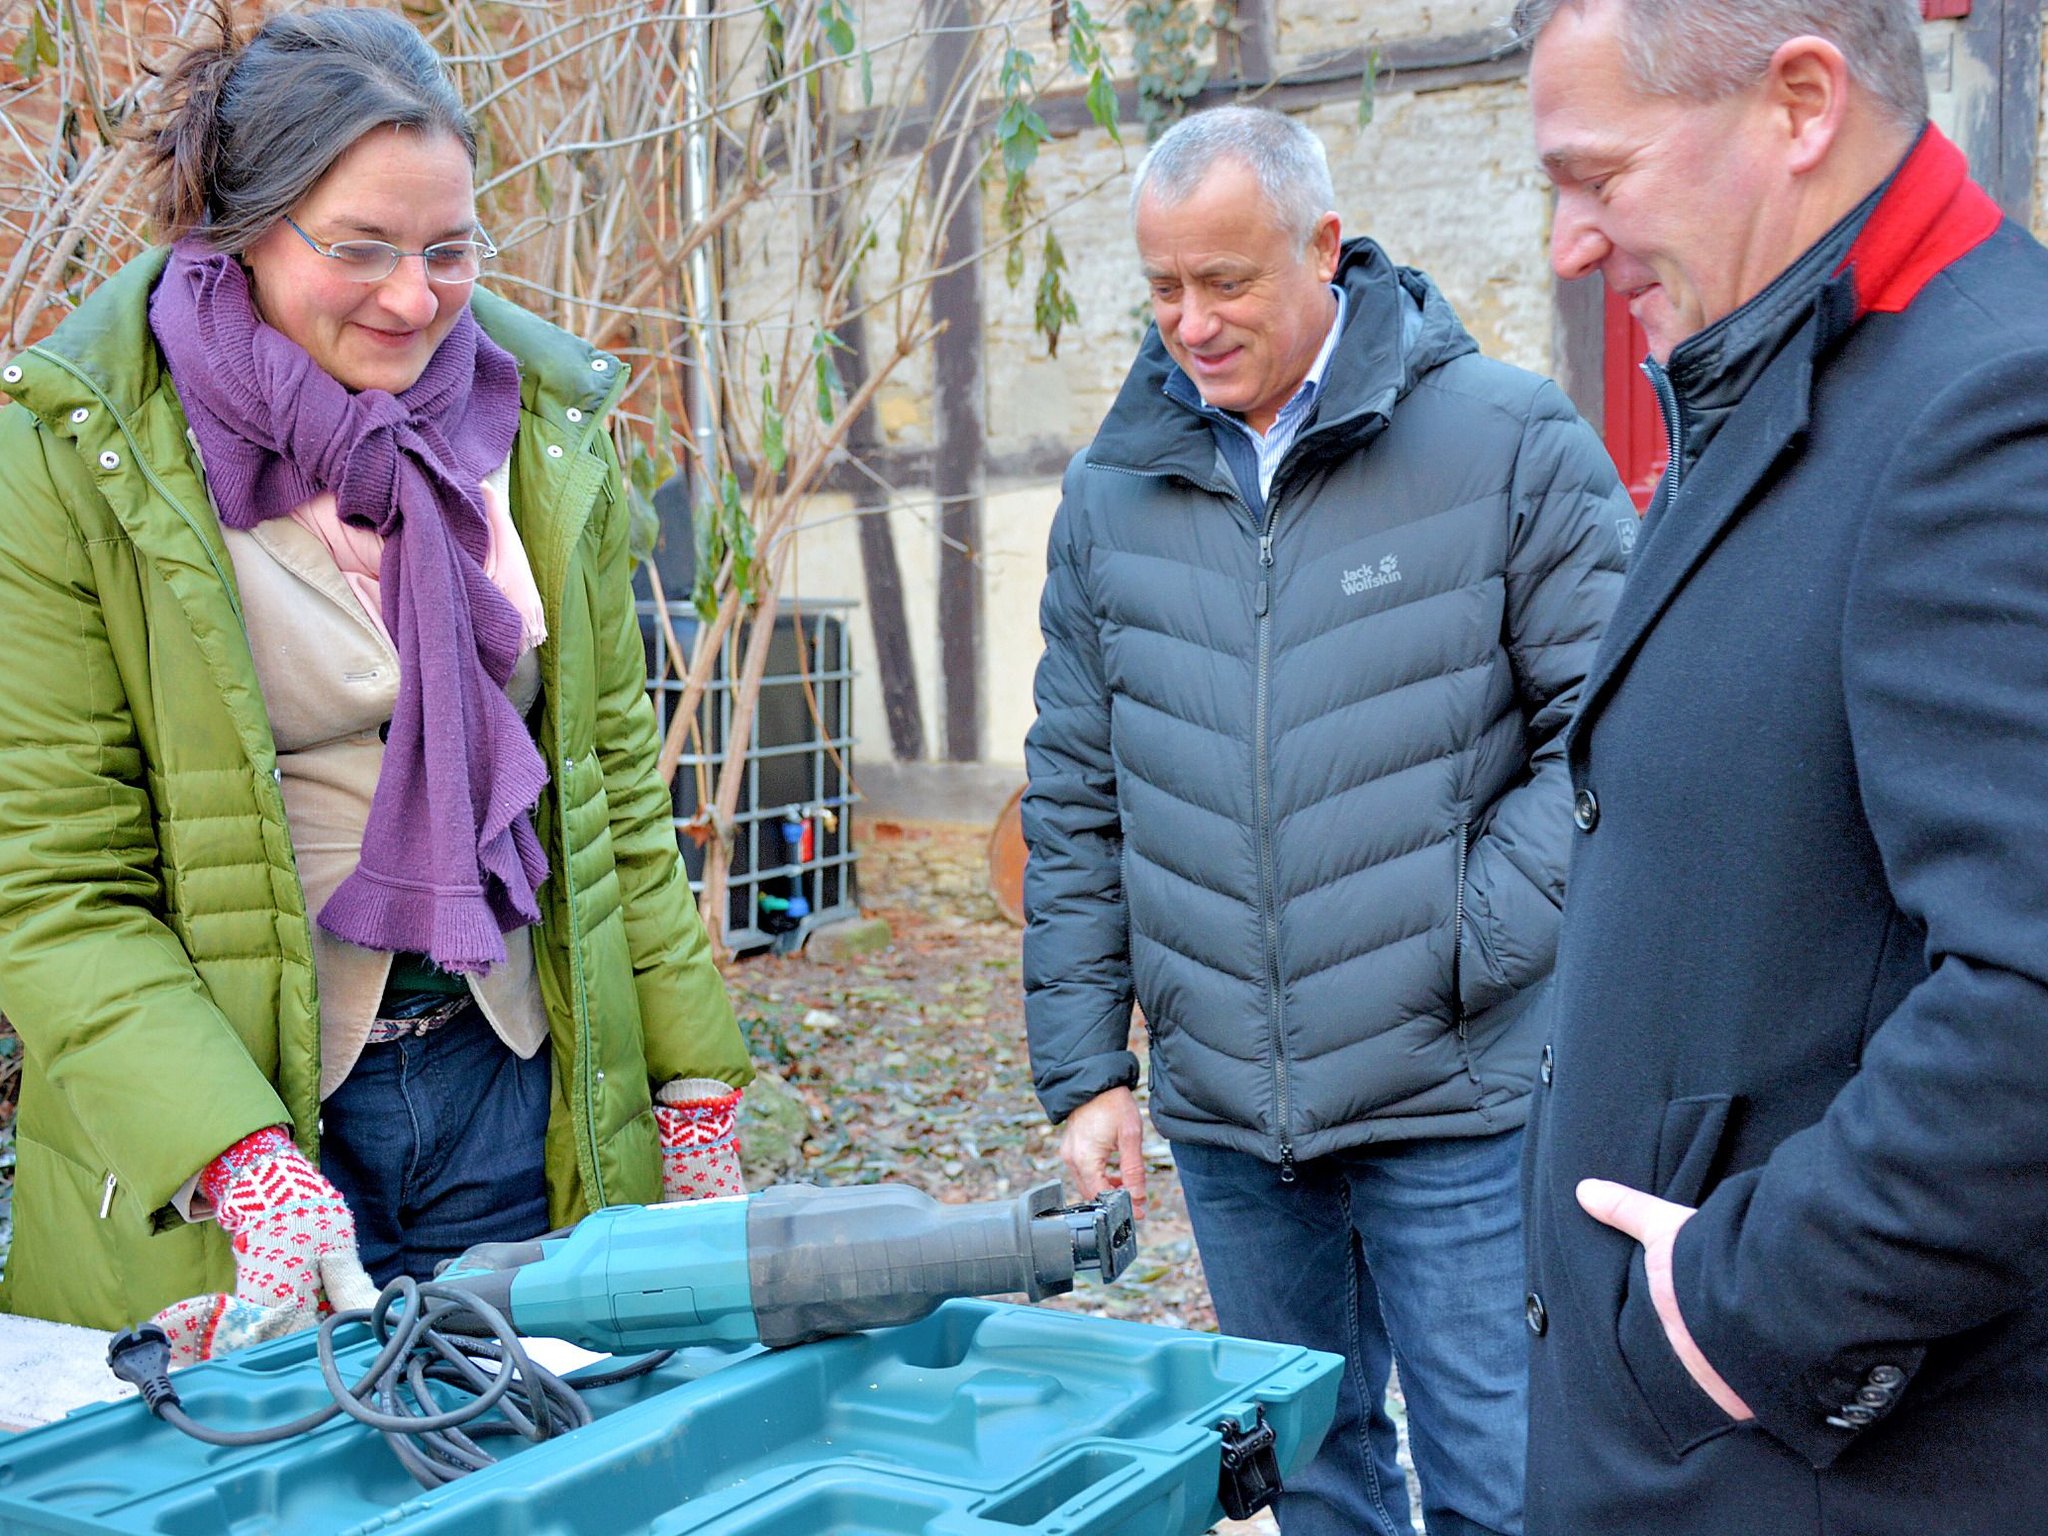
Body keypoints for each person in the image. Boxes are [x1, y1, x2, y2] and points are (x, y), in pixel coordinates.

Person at [0, 7, 751, 1358]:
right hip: (247, 1126)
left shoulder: (533, 432)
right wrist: (240, 1160)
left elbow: (611, 800)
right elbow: (55, 885)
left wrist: (695, 1086)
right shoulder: (74, 463)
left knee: (525, 1447)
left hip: (511, 1091)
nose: (413, 299)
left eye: (448, 250)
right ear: (237, 232)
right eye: (359, 250)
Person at [1021, 105, 1629, 1536]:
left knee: (1504, 1486)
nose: (1192, 324)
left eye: (1226, 281)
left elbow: (1616, 735)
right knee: (1313, 1480)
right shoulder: (1111, 492)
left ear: (1322, 248)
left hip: (1456, 1097)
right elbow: (1077, 792)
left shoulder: (1506, 439)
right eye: (1164, 288)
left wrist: (1464, 939)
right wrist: (1086, 1071)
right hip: (1231, 1112)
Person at [1515, 1, 2048, 1531]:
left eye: (1597, 174)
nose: (1569, 241)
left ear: (1800, 103)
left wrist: (1736, 1319)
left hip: (1806, 1470)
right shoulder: (1801, 366)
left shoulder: (1987, 411)